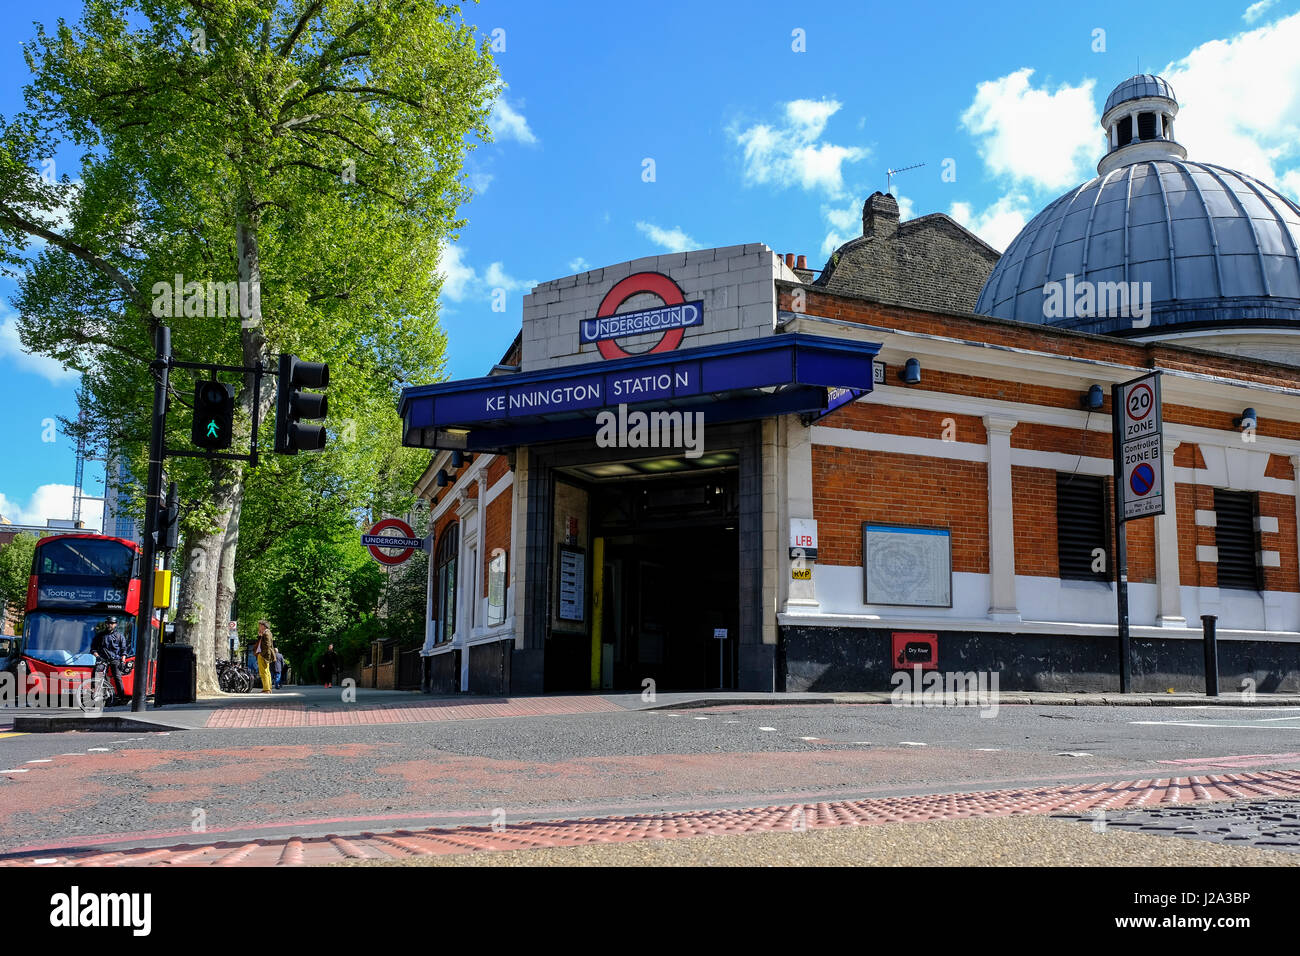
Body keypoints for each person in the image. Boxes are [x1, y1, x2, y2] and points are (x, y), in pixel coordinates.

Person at [90, 616, 128, 703]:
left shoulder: (119, 636)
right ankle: (94, 692)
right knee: (97, 671)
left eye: (111, 623)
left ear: (115, 624)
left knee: (117, 677)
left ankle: (121, 698)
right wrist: (98, 657)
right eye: (108, 623)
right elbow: (93, 648)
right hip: (102, 658)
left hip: (115, 659)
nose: (109, 625)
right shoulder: (100, 635)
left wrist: (122, 661)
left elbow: (123, 650)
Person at [253, 620, 276, 694]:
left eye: (259, 625)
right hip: (264, 654)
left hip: (263, 655)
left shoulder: (266, 633)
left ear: (263, 626)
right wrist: (260, 636)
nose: (259, 627)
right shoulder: (265, 633)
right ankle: (268, 688)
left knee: (263, 672)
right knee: (267, 671)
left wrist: (262, 654)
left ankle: (266, 689)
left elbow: (267, 645)